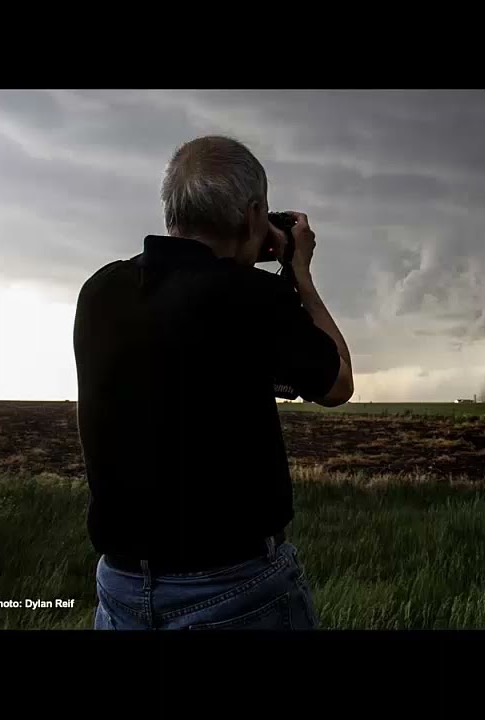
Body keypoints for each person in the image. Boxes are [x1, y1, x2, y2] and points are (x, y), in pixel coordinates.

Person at [73, 136, 354, 630]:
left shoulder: (99, 291)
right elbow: (337, 384)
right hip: (236, 593)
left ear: (172, 213)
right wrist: (300, 274)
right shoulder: (253, 298)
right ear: (251, 215)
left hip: (118, 591)